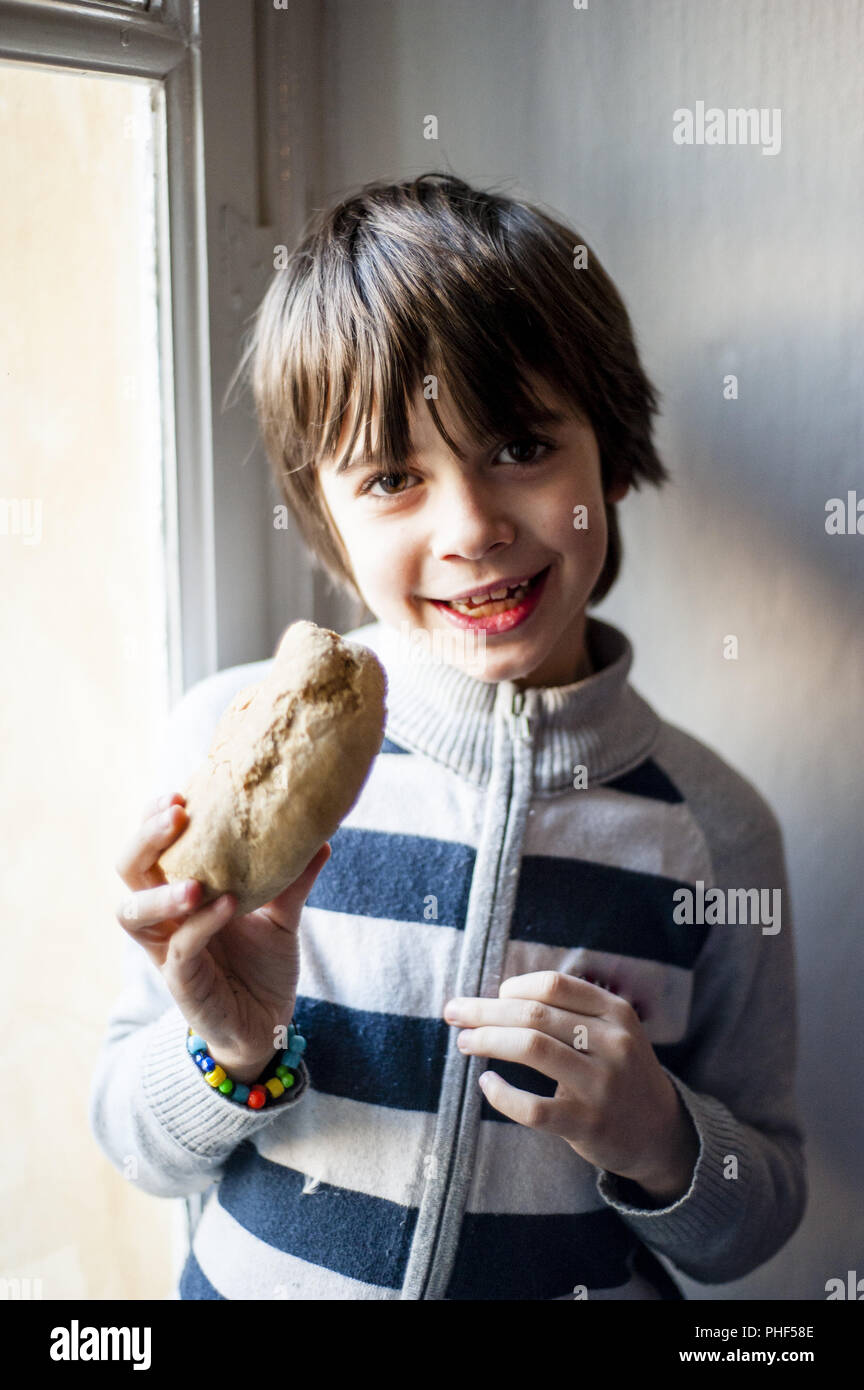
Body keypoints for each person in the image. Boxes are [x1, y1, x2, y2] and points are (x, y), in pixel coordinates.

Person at [91, 172, 807, 1300]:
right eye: (391, 477)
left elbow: (754, 1218)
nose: (471, 526)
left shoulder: (711, 829)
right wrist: (226, 1054)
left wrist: (663, 1139)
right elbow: (132, 1141)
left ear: (611, 458)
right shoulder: (218, 745)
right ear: (326, 516)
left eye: (521, 446)